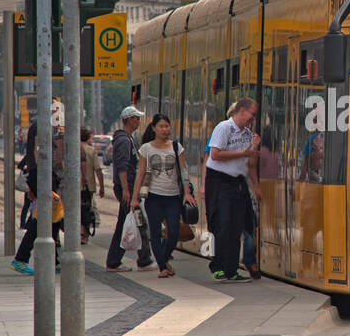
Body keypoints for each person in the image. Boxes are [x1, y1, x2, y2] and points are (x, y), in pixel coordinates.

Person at [131, 114, 198, 277]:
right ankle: (162, 268)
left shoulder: (176, 147)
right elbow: (140, 174)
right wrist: (134, 198)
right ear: (154, 128)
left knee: (174, 232)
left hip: (173, 197)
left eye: (167, 126)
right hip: (153, 197)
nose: (164, 129)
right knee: (155, 233)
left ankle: (165, 258)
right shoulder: (146, 148)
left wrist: (187, 193)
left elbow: (183, 170)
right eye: (161, 126)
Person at [205, 97, 261, 283]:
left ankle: (232, 269)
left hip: (238, 181)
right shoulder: (224, 128)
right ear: (242, 111)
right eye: (252, 114)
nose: (253, 118)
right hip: (220, 180)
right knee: (223, 224)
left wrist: (256, 185)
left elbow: (250, 163)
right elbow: (215, 154)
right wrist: (242, 153)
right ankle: (218, 266)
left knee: (237, 225)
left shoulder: (247, 133)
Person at [11, 117, 65, 275]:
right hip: (42, 174)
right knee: (42, 218)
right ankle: (21, 259)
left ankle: (53, 261)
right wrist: (40, 176)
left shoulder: (44, 126)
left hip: (44, 174)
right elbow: (36, 149)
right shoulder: (40, 125)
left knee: (51, 218)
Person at [105, 106, 154, 273]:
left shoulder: (127, 139)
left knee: (125, 223)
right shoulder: (124, 141)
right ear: (129, 119)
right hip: (128, 188)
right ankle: (144, 260)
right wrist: (126, 190)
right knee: (138, 221)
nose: (139, 121)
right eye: (137, 118)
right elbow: (122, 166)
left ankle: (114, 261)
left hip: (129, 188)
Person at [79, 125, 104, 245]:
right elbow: (98, 170)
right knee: (87, 209)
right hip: (89, 186)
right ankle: (85, 234)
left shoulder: (73, 148)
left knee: (77, 210)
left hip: (75, 186)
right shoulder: (91, 150)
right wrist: (102, 187)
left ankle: (79, 231)